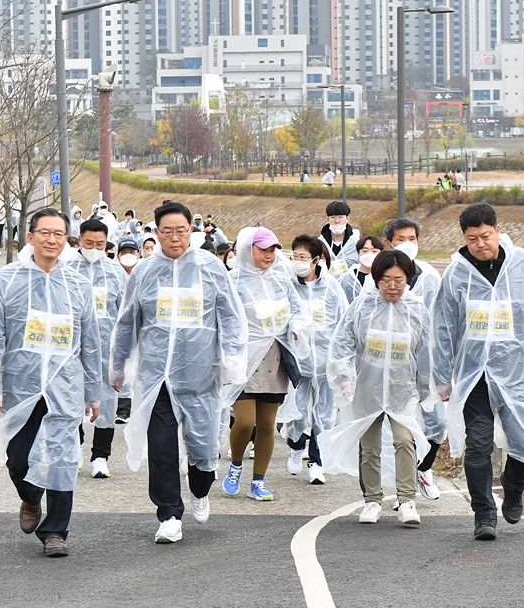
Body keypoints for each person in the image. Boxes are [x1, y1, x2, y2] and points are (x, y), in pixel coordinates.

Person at [110, 201, 248, 544]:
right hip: (157, 376)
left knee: (203, 449)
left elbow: (230, 315)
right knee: (161, 448)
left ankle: (200, 489)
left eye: (181, 231)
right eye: (167, 231)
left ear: (192, 232)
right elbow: (127, 321)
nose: (175, 237)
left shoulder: (210, 269)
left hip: (201, 374)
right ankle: (169, 513)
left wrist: (232, 357)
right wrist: (118, 363)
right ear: (156, 234)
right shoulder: (144, 272)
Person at [0, 207, 102, 557]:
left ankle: (56, 531)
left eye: (59, 234)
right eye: (45, 232)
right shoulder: (6, 280)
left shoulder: (78, 284)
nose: (52, 239)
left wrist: (93, 391)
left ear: (66, 240)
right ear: (30, 237)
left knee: (63, 458)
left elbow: (91, 341)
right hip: (21, 386)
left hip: (65, 387)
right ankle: (29, 498)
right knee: (18, 460)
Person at [432, 203, 524, 541]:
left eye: (485, 236)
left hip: (517, 370)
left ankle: (514, 488)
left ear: (498, 231)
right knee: (478, 444)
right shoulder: (457, 274)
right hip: (475, 372)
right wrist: (442, 375)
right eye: (472, 238)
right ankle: (483, 514)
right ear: (464, 238)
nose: (480, 244)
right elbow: (443, 326)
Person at [324, 250, 433, 526]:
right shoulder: (361, 307)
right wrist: (346, 375)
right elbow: (342, 343)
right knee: (369, 445)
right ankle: (372, 501)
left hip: (402, 388)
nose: (392, 286)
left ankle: (407, 500)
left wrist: (426, 387)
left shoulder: (417, 309)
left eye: (399, 279)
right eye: (385, 280)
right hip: (367, 387)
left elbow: (426, 352)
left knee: (404, 440)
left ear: (408, 278)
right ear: (375, 279)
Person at [222, 227, 312, 501]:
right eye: (263, 249)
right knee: (245, 421)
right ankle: (236, 464)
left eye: (273, 249)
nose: (269, 255)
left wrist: (295, 325)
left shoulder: (282, 279)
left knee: (266, 424)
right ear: (248, 249)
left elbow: (297, 310)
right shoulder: (233, 279)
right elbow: (224, 317)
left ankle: (258, 481)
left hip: (275, 357)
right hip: (244, 359)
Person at [383, 218, 445, 501]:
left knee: (438, 423)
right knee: (401, 431)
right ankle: (401, 491)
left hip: (426, 363)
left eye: (412, 238)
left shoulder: (431, 277)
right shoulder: (380, 279)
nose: (407, 244)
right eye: (400, 239)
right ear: (388, 244)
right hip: (393, 365)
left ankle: (424, 468)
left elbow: (441, 319)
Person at [67, 218, 130, 478]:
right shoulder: (66, 268)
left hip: (106, 349)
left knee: (106, 403)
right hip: (71, 348)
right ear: (79, 240)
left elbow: (125, 315)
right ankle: (75, 447)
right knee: (70, 399)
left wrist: (122, 357)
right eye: (89, 243)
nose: (94, 248)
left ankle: (101, 456)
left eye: (100, 244)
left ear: (107, 244)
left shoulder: (115, 273)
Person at [284, 235, 348, 485]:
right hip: (298, 363)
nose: (298, 262)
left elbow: (343, 324)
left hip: (325, 363)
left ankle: (316, 462)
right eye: (295, 257)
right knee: (297, 414)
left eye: (303, 257)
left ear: (317, 260)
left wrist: (342, 364)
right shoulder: (289, 285)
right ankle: (297, 445)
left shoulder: (332, 287)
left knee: (324, 416)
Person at [319, 201, 360, 280]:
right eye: (333, 217)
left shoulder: (356, 242)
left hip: (350, 284)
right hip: (327, 283)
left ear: (348, 219)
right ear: (328, 219)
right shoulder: (320, 243)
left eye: (340, 217)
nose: (336, 221)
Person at [339, 234, 384, 304]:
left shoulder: (385, 276)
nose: (369, 254)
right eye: (365, 251)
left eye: (374, 251)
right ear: (358, 253)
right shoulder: (347, 278)